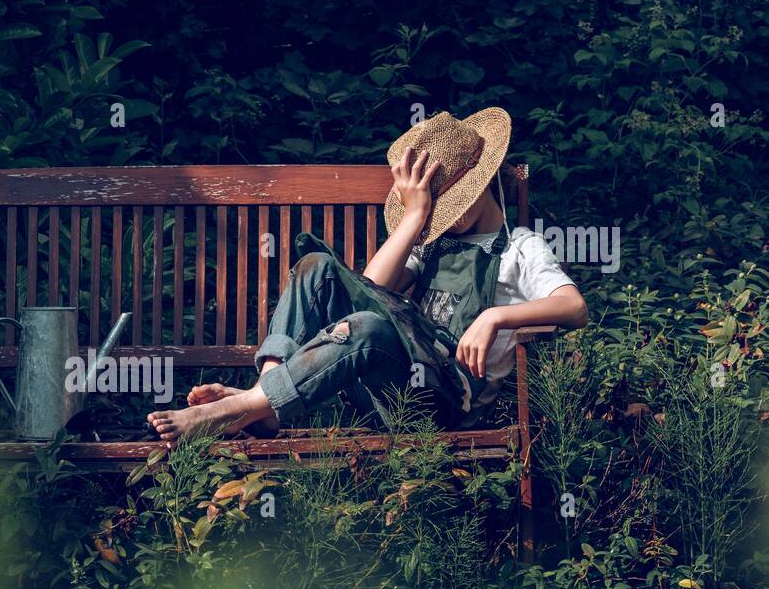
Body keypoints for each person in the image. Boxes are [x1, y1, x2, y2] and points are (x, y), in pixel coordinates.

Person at [146, 107, 589, 442]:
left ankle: (246, 407)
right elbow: (369, 288)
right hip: (383, 390)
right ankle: (262, 399)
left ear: (478, 181)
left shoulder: (518, 247)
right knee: (315, 265)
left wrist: (495, 317)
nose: (445, 219)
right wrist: (416, 220)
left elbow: (574, 307)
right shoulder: (431, 244)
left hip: (444, 402)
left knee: (369, 329)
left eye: (447, 207)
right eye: (437, 210)